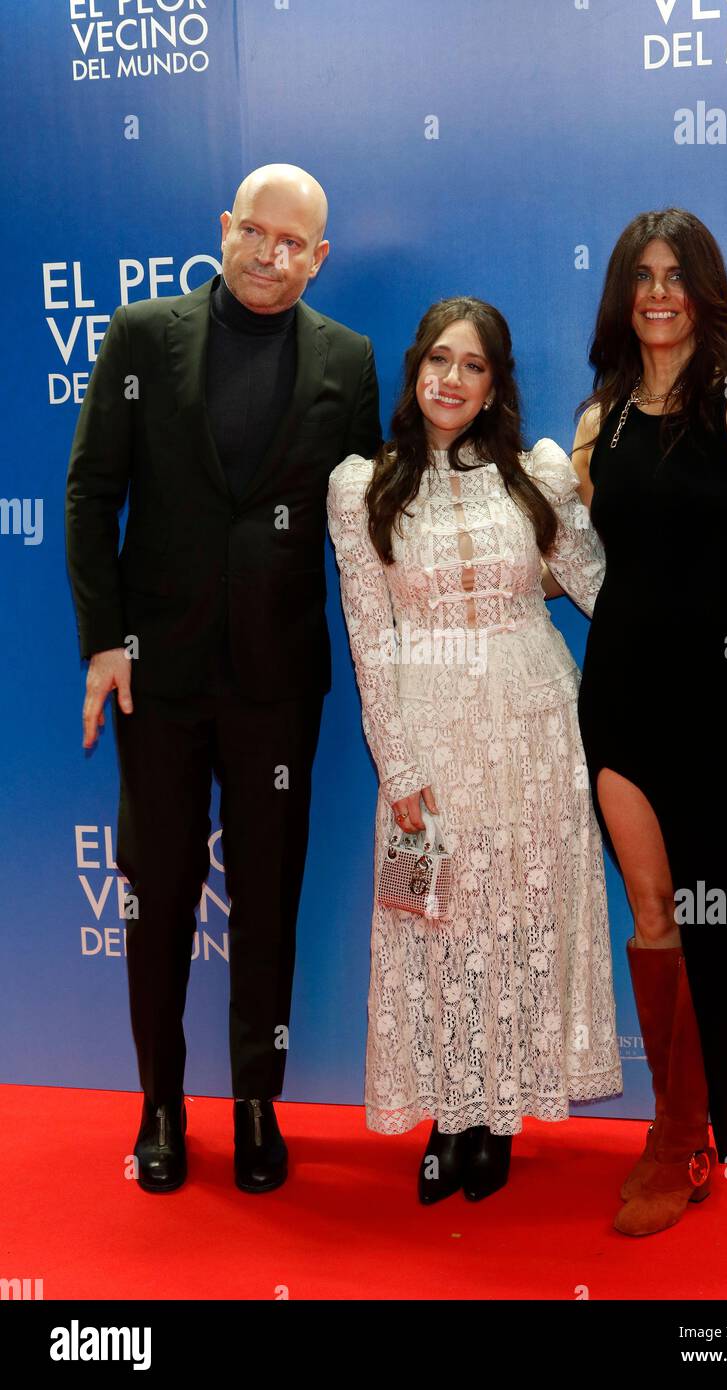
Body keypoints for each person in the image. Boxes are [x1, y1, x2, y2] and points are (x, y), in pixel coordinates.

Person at [65, 164, 381, 1194]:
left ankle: (256, 1103)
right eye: (257, 232)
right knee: (157, 898)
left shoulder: (349, 359)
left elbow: (369, 529)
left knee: (269, 900)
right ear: (226, 228)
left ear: (318, 257)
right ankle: (159, 1102)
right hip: (157, 679)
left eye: (295, 244)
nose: (271, 254)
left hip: (278, 683)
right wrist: (104, 642)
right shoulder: (142, 336)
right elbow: (89, 492)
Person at [326, 297, 622, 1205]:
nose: (451, 380)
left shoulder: (534, 476)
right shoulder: (360, 486)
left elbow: (599, 588)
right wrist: (399, 761)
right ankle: (447, 1115)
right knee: (437, 923)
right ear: (415, 372)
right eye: (438, 360)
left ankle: (498, 1118)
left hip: (537, 729)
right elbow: (370, 640)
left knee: (521, 921)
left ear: (496, 387)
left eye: (474, 366)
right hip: (430, 734)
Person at [568, 208, 727, 1236]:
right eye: (640, 276)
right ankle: (674, 1131)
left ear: (704, 293)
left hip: (726, 703)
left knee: (714, 915)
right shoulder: (597, 423)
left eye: (675, 275)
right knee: (651, 909)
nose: (656, 292)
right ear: (621, 295)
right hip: (619, 695)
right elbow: (588, 562)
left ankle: (708, 1123)